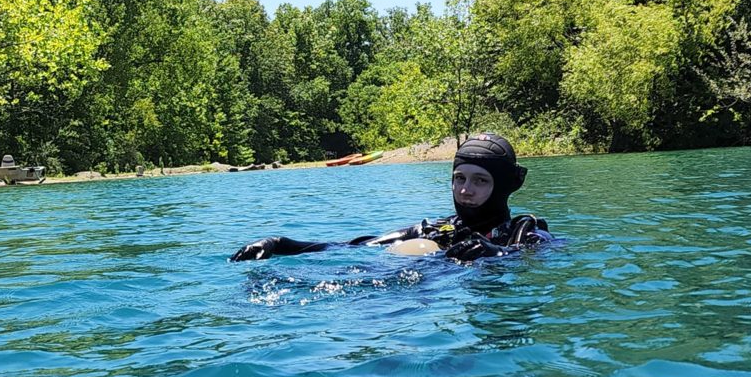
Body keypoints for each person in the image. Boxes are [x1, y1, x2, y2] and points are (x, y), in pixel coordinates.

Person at [229, 133, 551, 263]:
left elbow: (549, 257)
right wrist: (278, 243)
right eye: (459, 178)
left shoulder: (525, 233)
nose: (466, 190)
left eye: (480, 181)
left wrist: (496, 254)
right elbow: (352, 247)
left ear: (506, 186)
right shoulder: (434, 230)